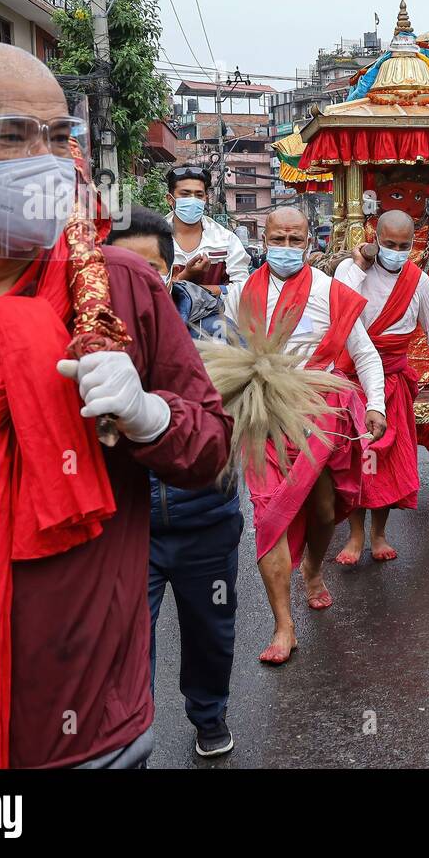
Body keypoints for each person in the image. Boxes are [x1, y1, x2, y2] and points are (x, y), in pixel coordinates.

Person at [0, 42, 231, 768]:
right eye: (12, 134)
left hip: (99, 719)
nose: (48, 158)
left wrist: (152, 418)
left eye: (60, 135)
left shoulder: (122, 287)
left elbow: (212, 450)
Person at [224, 206, 387, 664]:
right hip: (263, 416)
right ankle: (283, 624)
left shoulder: (328, 292)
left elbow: (365, 354)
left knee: (323, 507)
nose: (287, 249)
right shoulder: (238, 293)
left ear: (308, 244)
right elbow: (223, 354)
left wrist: (375, 403)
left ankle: (313, 569)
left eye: (296, 241)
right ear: (263, 238)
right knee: (268, 512)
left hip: (320, 413)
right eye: (280, 239)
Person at [106, 208, 241, 759]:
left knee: (212, 629)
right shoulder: (86, 338)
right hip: (126, 523)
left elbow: (233, 421)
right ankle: (130, 738)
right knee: (124, 643)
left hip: (205, 514)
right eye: (125, 268)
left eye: (152, 268)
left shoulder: (214, 328)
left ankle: (209, 715)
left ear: (171, 270)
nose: (140, 281)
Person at [333, 210, 429, 564]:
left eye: (404, 245)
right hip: (355, 383)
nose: (396, 251)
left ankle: (378, 535)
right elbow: (341, 309)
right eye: (389, 244)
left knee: (385, 462)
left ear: (414, 244)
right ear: (374, 239)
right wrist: (359, 265)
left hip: (393, 383)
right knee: (357, 462)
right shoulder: (352, 272)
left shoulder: (418, 281)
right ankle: (355, 535)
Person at [165, 164, 251, 293]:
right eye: (185, 194)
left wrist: (186, 288)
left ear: (205, 199)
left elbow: (242, 288)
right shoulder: (153, 239)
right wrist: (187, 275)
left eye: (198, 195)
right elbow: (148, 292)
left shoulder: (226, 240)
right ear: (170, 199)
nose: (192, 200)